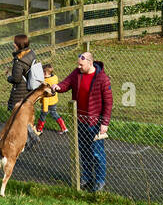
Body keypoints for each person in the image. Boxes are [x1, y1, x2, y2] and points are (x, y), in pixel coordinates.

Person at [52, 50, 112, 192]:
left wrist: (105, 123)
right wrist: (58, 87)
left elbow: (108, 102)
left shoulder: (102, 79)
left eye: (81, 64)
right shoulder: (77, 73)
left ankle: (99, 180)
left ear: (90, 63)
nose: (78, 67)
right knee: (83, 151)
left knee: (97, 153)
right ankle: (86, 177)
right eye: (78, 64)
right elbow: (66, 83)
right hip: (79, 120)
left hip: (94, 123)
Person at [6, 34, 45, 142]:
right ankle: (31, 135)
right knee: (24, 115)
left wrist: (8, 78)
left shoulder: (19, 61)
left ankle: (26, 139)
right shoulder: (30, 54)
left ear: (18, 44)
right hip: (28, 89)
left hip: (20, 90)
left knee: (17, 116)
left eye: (14, 42)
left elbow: (16, 79)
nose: (13, 44)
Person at [35, 62, 67, 134]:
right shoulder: (54, 78)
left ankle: (39, 129)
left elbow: (45, 96)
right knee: (54, 114)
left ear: (45, 73)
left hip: (47, 102)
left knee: (43, 115)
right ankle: (64, 128)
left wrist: (45, 108)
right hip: (54, 100)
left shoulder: (46, 82)